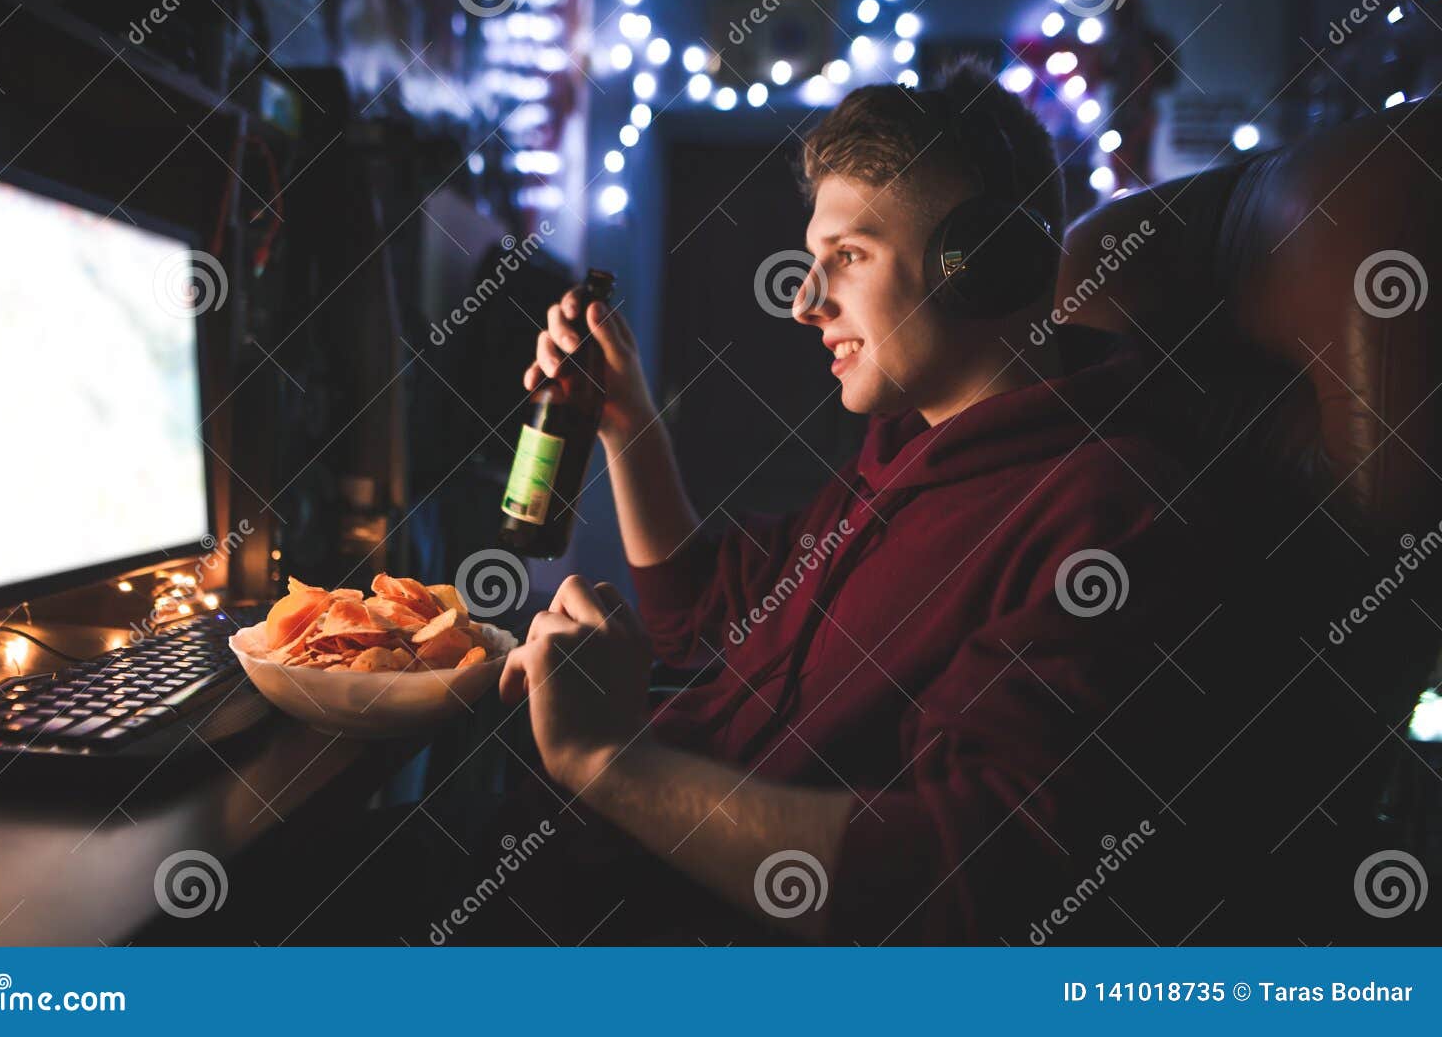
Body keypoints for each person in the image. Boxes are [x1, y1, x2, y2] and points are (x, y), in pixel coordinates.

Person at [491, 60, 1236, 945]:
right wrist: (628, 423)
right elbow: (703, 617)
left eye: (847, 257)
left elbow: (971, 881)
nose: (806, 302)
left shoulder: (1107, 512)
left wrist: (608, 762)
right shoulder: (906, 453)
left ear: (985, 265)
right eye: (813, 261)